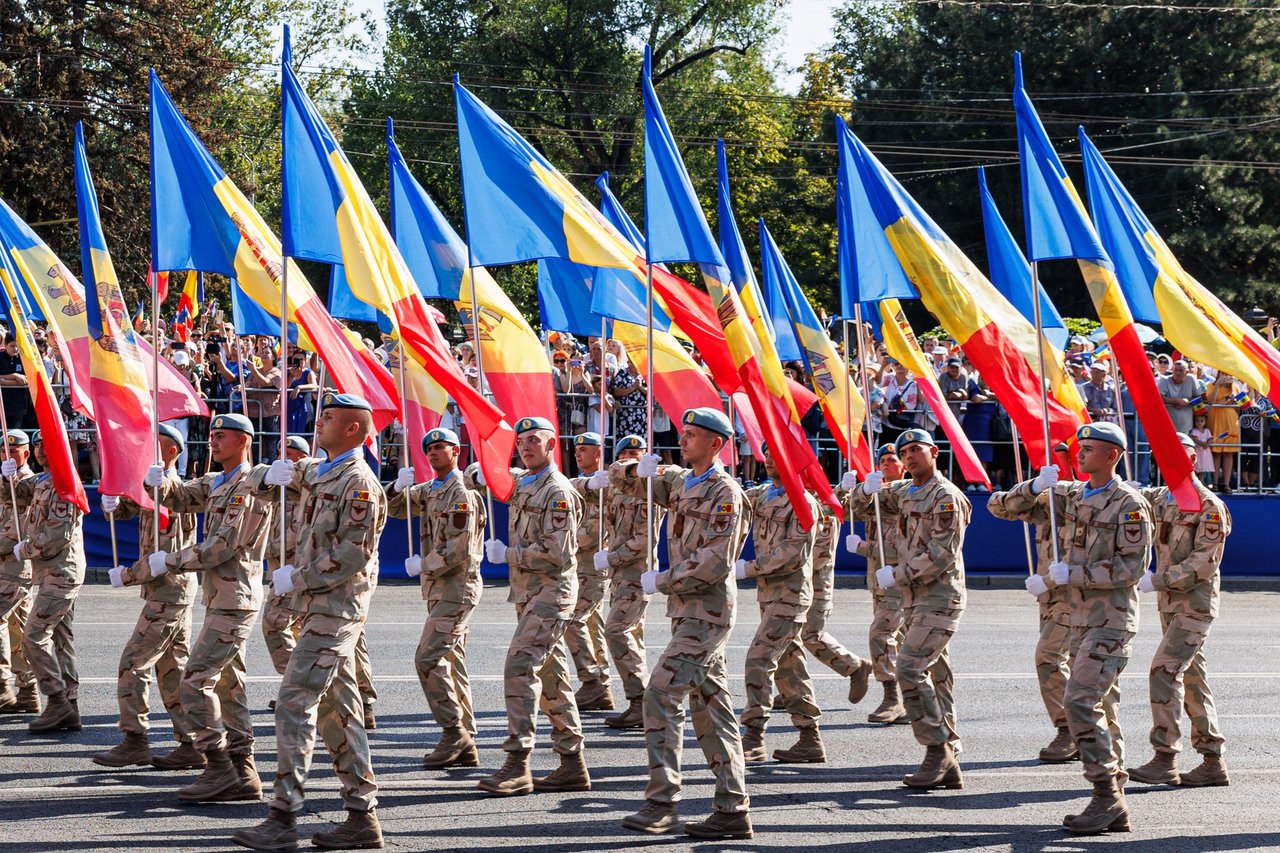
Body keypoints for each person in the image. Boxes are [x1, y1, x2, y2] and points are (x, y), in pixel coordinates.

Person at [231, 392, 388, 851]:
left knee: (294, 703)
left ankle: (283, 817)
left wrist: (294, 579)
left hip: (335, 608)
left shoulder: (358, 483)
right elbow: (275, 476)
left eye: (330, 417)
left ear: (353, 429)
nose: (320, 423)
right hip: (318, 607)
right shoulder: (323, 472)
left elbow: (352, 555)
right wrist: (266, 473)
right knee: (340, 711)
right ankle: (363, 818)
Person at [1007, 422, 1151, 834]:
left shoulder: (1129, 504)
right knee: (1102, 708)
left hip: (1110, 621)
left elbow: (1131, 568)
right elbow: (1001, 508)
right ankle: (1115, 801)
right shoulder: (1068, 494)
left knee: (1081, 701)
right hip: (1076, 621)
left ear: (1112, 456)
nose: (1080, 453)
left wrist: (1070, 573)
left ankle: (1105, 795)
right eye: (1079, 447)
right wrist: (1034, 486)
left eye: (1089, 448)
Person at [619, 408, 752, 840]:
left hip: (707, 613)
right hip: (685, 613)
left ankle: (662, 802)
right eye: (683, 431)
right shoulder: (680, 481)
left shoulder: (725, 493)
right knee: (713, 710)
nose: (683, 438)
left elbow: (715, 561)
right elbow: (632, 484)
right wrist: (632, 468)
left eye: (692, 434)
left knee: (659, 693)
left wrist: (663, 579)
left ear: (716, 443)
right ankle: (732, 811)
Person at [146, 412, 273, 802]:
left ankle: (218, 767)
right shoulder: (219, 481)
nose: (213, 441)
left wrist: (168, 561)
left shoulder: (249, 486)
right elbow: (181, 495)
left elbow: (221, 547)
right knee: (229, 687)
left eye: (223, 436)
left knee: (194, 681)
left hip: (235, 600)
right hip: (221, 598)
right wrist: (161, 479)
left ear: (244, 442)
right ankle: (243, 773)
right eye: (212, 435)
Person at [476, 416, 589, 796]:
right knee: (552, 678)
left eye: (535, 441)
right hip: (529, 594)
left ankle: (517, 763)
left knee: (520, 666)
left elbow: (556, 553)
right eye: (521, 441)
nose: (526, 447)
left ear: (552, 445)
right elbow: (499, 480)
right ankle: (573, 764)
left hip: (551, 592)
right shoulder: (526, 482)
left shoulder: (557, 491)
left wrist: (509, 554)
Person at [860, 428, 971, 789]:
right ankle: (949, 760)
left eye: (916, 450)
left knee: (908, 667)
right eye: (904, 451)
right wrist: (862, 488)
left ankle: (937, 750)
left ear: (934, 452)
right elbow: (865, 505)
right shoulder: (906, 491)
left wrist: (898, 572)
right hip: (914, 598)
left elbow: (941, 554)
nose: (909, 456)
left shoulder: (945, 497)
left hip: (939, 597)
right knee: (935, 674)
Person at [93, 423, 201, 770]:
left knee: (132, 662)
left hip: (170, 590)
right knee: (172, 671)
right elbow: (134, 506)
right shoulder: (151, 485)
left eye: (156, 445)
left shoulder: (179, 492)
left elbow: (164, 557)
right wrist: (113, 502)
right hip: (166, 592)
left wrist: (126, 575)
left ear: (171, 452)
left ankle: (135, 740)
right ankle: (192, 743)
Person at [1128, 433, 1231, 788]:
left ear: (1190, 461)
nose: (1165, 463)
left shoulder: (1208, 505)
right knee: (1191, 678)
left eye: (1175, 457)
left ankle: (1165, 758)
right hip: (1171, 606)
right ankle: (1212, 762)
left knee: (1163, 670)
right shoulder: (1163, 498)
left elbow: (1204, 563)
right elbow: (1129, 504)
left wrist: (1156, 581)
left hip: (1195, 605)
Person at [390, 427, 486, 770]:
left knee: (427, 658)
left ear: (456, 451)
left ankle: (452, 732)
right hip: (439, 590)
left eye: (440, 447)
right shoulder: (432, 489)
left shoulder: (460, 493)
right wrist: (396, 488)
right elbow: (397, 510)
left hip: (456, 588)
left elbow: (458, 549)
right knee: (452, 663)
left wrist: (424, 563)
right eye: (428, 447)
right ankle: (466, 740)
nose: (432, 452)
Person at [737, 446, 830, 764]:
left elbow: (791, 553)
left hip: (791, 596)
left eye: (778, 451)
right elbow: (728, 500)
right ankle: (809, 739)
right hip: (769, 596)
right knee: (789, 667)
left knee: (758, 659)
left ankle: (754, 735)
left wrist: (747, 568)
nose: (771, 457)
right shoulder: (763, 495)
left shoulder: (804, 502)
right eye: (767, 453)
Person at [986, 448, 1077, 763]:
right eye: (1047, 461)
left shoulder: (1087, 500)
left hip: (1082, 597)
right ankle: (1085, 733)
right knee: (1070, 665)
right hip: (1051, 601)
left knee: (1049, 657)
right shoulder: (1044, 502)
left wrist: (1049, 581)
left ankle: (1071, 729)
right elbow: (998, 506)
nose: (1053, 464)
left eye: (1061, 459)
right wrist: (1035, 486)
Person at [4, 431, 86, 734]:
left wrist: (23, 549)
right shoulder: (42, 481)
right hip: (51, 573)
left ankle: (56, 700)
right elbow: (10, 494)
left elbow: (56, 537)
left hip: (62, 572)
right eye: (37, 445)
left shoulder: (65, 483)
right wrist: (7, 476)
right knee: (61, 639)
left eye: (45, 444)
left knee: (33, 636)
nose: (40, 450)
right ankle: (70, 706)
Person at [591, 434, 657, 729]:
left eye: (637, 452)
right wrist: (592, 482)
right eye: (626, 453)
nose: (632, 457)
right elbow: (580, 490)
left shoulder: (651, 488)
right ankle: (643, 704)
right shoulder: (616, 488)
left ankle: (642, 700)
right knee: (633, 635)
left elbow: (645, 539)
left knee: (616, 630)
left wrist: (612, 557)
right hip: (619, 575)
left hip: (636, 572)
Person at [846, 444, 908, 724]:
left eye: (892, 460)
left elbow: (901, 547)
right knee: (902, 640)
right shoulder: (876, 493)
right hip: (878, 581)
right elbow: (848, 507)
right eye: (882, 459)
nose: (886, 464)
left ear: (903, 466)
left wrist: (863, 547)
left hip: (899, 577)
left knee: (880, 636)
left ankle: (893, 697)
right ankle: (915, 699)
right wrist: (856, 489)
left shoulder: (908, 495)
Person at [566, 432, 614, 712]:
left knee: (573, 620)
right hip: (578, 566)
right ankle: (601, 685)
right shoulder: (582, 484)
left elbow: (594, 532)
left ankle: (592, 681)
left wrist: (562, 539)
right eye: (576, 450)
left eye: (584, 449)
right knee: (593, 626)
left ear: (599, 453)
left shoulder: (606, 485)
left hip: (592, 568)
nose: (578, 454)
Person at [260, 436, 311, 701]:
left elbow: (297, 536)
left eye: (289, 455)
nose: (282, 460)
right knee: (299, 633)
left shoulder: (308, 494)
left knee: (274, 624)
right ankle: (303, 689)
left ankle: (299, 689)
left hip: (295, 573)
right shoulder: (278, 493)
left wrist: (263, 550)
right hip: (279, 573)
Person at [0, 430, 37, 716]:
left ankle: (2, 687)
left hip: (15, 565)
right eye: (3, 452)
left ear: (27, 453)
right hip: (5, 566)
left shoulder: (29, 484)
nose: (8, 456)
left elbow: (19, 532)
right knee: (18, 630)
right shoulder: (3, 480)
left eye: (14, 451)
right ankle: (29, 690)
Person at [1204, 372, 1240, 492]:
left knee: (1229, 453)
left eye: (1227, 373)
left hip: (1231, 422)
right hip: (1216, 421)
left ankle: (1226, 484)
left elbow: (1239, 407)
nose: (1225, 375)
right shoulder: (1210, 385)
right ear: (1218, 373)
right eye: (1222, 373)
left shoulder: (1235, 386)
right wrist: (1218, 385)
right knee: (1216, 452)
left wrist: (1234, 402)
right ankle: (1215, 483)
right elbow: (1210, 401)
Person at [1157, 360, 1201, 435]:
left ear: (1186, 372)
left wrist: (1186, 401)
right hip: (1167, 426)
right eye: (1175, 370)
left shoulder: (1191, 379)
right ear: (1172, 370)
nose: (1177, 372)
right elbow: (1159, 398)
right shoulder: (1164, 380)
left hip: (1186, 426)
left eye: (1181, 370)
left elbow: (1199, 398)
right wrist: (1177, 401)